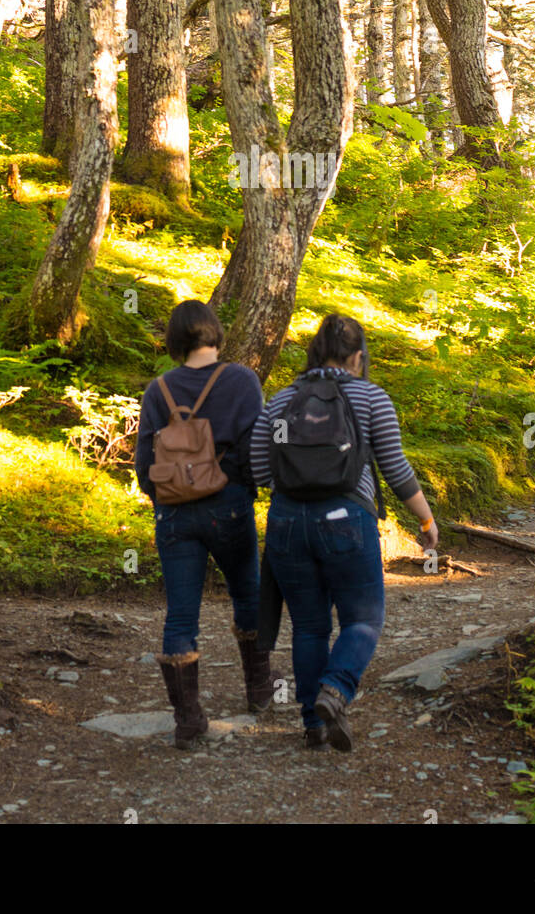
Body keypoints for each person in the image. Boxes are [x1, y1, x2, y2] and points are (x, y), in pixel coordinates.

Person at [250, 314, 438, 752]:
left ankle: (310, 724)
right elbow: (394, 467)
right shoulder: (371, 398)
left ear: (315, 353)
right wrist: (426, 521)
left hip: (286, 524)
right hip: (347, 520)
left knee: (309, 628)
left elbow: (259, 469)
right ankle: (335, 690)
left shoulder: (280, 401)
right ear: (357, 357)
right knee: (363, 619)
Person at [135, 300, 272, 749]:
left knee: (181, 613)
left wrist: (167, 496)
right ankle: (258, 691)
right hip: (228, 505)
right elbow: (258, 449)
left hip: (174, 513)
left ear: (174, 340)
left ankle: (188, 720)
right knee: (247, 594)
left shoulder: (158, 390)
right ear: (214, 332)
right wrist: (244, 488)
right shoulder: (242, 380)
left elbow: (143, 466)